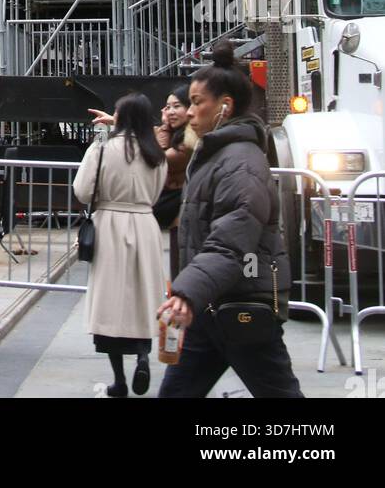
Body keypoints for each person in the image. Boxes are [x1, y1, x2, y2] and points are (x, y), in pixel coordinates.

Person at [157, 42, 303, 399]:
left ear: (225, 106)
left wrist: (187, 292)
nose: (189, 112)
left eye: (196, 102)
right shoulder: (216, 155)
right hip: (212, 306)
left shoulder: (239, 162)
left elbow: (230, 237)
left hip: (241, 307)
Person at [75, 94, 166, 398]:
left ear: (121, 117)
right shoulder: (156, 153)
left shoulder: (103, 149)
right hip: (144, 223)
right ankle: (143, 356)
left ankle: (120, 381)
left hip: (110, 224)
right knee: (142, 296)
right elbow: (157, 191)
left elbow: (82, 190)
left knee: (111, 302)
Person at [153, 85, 196, 277]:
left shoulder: (190, 139)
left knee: (183, 266)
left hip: (183, 209)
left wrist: (164, 126)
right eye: (167, 107)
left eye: (176, 106)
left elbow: (160, 159)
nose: (170, 112)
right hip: (176, 208)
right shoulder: (178, 133)